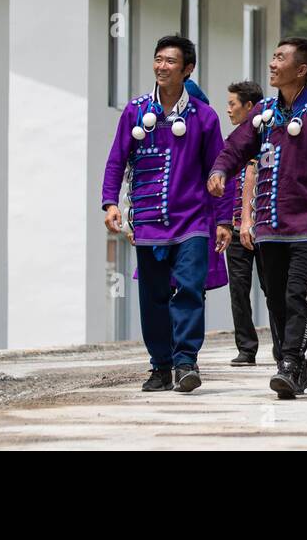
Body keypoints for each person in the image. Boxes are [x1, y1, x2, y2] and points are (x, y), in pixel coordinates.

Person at [208, 38, 307, 399]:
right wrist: (221, 169)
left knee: (298, 294)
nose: (271, 63)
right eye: (272, 56)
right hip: (269, 228)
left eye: (280, 58)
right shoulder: (264, 113)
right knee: (276, 300)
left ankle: (288, 363)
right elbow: (237, 146)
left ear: (301, 70)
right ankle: (296, 368)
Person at [102, 36, 235, 393]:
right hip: (147, 221)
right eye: (158, 59)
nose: (162, 66)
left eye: (170, 61)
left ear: (187, 69)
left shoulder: (204, 118)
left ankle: (185, 361)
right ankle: (160, 365)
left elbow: (219, 171)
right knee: (153, 296)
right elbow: (117, 159)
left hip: (192, 220)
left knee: (190, 289)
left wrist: (223, 220)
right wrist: (110, 203)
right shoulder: (135, 111)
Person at [223, 81, 264, 365]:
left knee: (273, 289)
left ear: (249, 107)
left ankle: (284, 347)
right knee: (238, 288)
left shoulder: (270, 138)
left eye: (232, 104)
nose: (228, 110)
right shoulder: (232, 144)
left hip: (267, 228)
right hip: (236, 228)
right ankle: (246, 348)